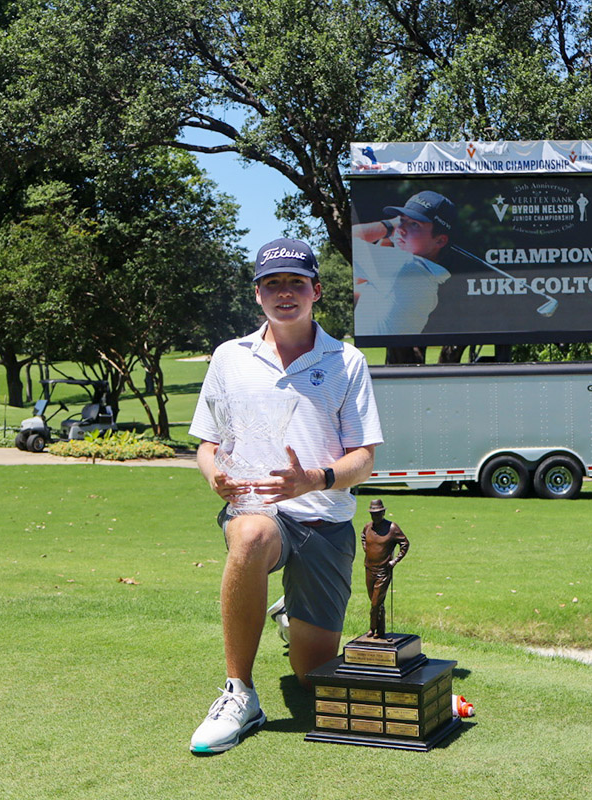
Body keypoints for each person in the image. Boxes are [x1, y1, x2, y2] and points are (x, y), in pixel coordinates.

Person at [187, 237, 383, 755]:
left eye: (296, 282)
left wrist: (313, 479)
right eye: (272, 283)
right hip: (257, 510)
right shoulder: (230, 358)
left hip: (324, 518)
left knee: (312, 679)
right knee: (250, 533)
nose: (285, 292)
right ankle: (240, 693)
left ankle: (287, 616)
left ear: (316, 290)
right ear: (257, 295)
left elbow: (363, 458)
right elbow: (208, 445)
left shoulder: (347, 360)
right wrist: (214, 477)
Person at [351, 190, 455, 336]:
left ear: (440, 240)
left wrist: (389, 226)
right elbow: (360, 286)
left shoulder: (407, 267)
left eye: (414, 224)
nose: (401, 229)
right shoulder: (423, 277)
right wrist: (390, 239)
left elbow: (349, 238)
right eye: (401, 220)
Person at [360, 499, 409, 640]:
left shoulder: (392, 528)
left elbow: (405, 543)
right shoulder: (368, 527)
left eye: (377, 513)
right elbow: (363, 537)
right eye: (372, 514)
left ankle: (372, 628)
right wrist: (366, 548)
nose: (374, 516)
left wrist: (395, 561)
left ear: (383, 512)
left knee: (375, 603)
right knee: (376, 602)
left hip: (383, 571)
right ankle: (379, 631)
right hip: (369, 569)